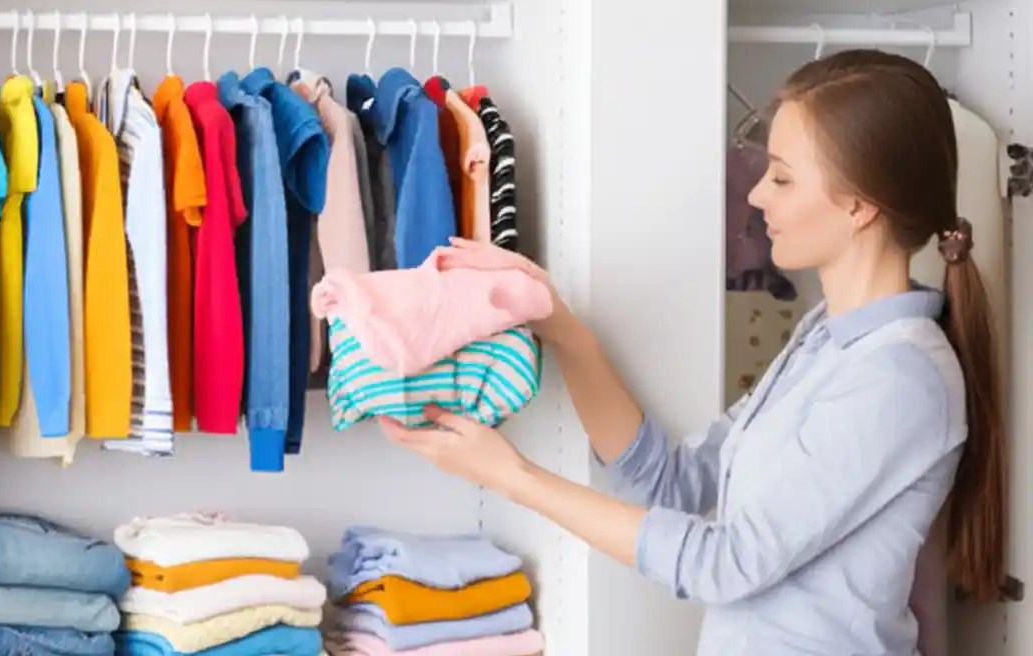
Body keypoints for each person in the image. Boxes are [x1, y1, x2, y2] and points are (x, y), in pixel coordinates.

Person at [380, 50, 1007, 655]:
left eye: (782, 178)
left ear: (859, 205)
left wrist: (515, 479)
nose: (756, 196)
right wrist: (560, 325)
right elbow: (672, 482)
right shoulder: (825, 337)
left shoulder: (899, 376)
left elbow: (727, 563)